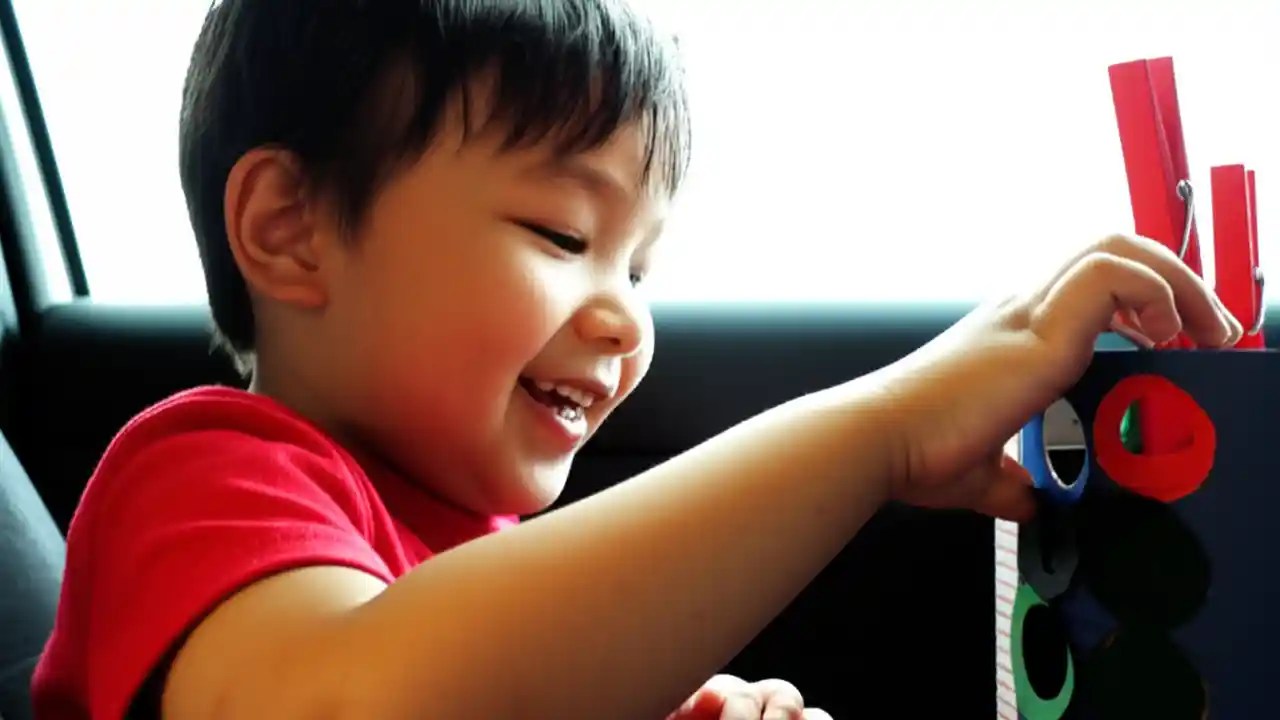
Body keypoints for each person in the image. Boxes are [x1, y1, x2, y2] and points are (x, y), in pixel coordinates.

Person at [31, 1, 1243, 719]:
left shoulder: (484, 567)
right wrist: (877, 432)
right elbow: (361, 698)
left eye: (639, 268)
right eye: (562, 235)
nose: (622, 319)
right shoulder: (199, 479)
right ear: (290, 231)